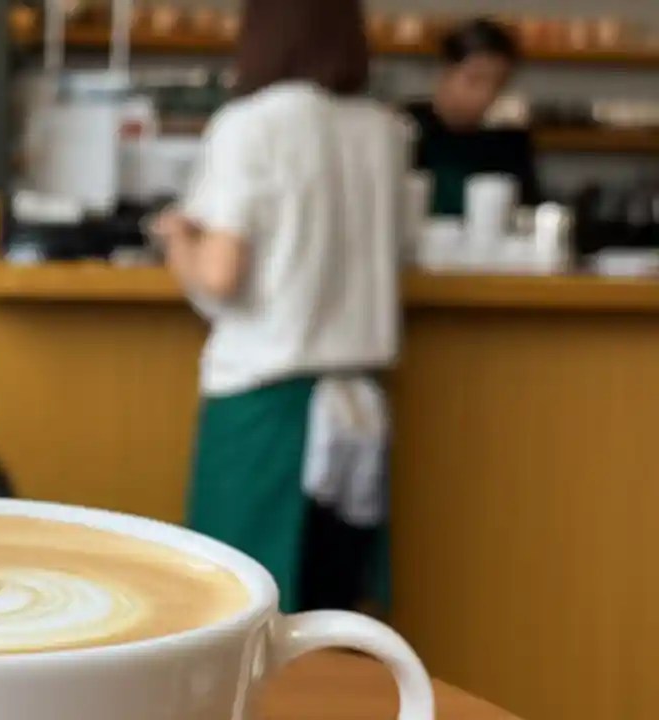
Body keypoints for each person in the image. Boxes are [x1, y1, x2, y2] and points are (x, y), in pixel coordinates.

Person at [150, 0, 406, 613]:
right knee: (334, 617)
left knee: (238, 614)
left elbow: (221, 273)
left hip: (265, 410)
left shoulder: (252, 125)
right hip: (358, 409)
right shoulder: (386, 130)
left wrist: (177, 238)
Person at [407, 18, 541, 215]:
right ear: (444, 71)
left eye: (498, 84)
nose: (486, 94)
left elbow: (528, 208)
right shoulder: (407, 128)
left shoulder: (509, 142)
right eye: (475, 79)